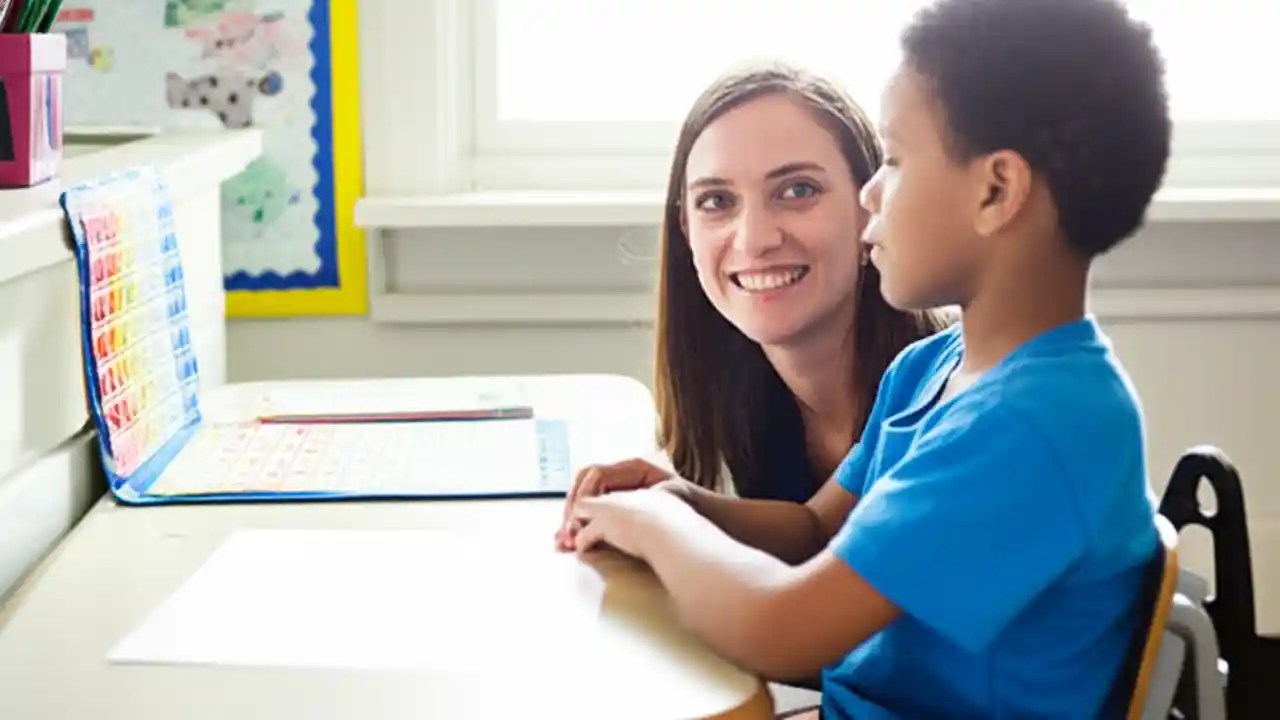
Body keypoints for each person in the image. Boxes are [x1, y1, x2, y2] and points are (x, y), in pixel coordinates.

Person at [556, 0, 1171, 717]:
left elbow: (780, 629)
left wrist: (656, 529)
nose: (871, 194)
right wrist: (680, 499)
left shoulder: (1036, 425)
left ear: (996, 190)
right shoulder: (932, 369)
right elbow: (816, 530)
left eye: (898, 162)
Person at [613, 62, 950, 508]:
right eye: (717, 201)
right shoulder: (725, 399)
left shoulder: (949, 389)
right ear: (686, 229)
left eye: (797, 191)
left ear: (869, 207)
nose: (755, 239)